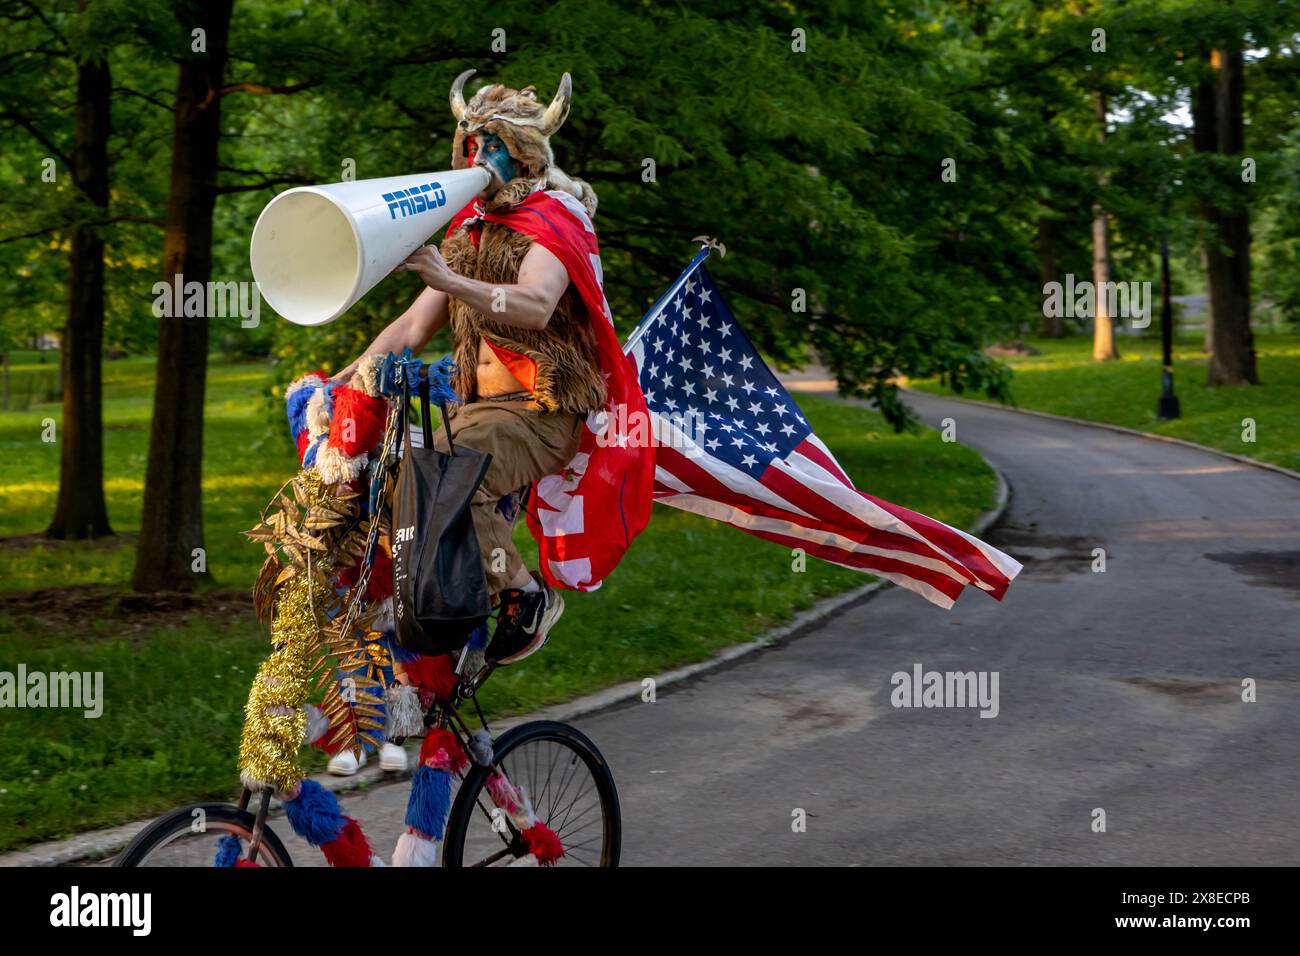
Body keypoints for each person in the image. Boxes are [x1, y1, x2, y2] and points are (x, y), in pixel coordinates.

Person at [332, 70, 608, 668]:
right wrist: (346, 379)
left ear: (525, 155)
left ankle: (525, 596)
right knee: (398, 473)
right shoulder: (465, 233)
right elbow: (409, 329)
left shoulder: (557, 219)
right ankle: (436, 612)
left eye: (492, 147)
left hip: (541, 413)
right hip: (474, 410)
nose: (476, 157)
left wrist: (452, 280)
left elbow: (535, 306)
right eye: (471, 146)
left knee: (456, 474)